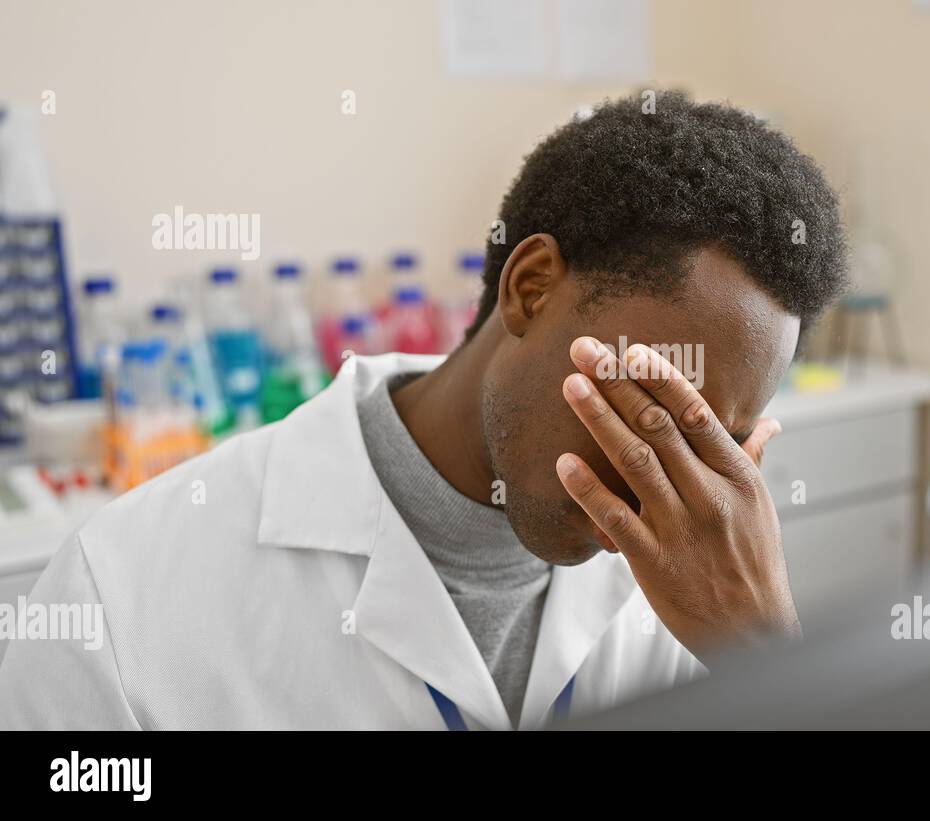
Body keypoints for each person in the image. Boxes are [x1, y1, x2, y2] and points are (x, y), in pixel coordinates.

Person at [0, 91, 847, 730]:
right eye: (653, 410)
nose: (661, 485)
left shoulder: (709, 594)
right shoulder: (120, 605)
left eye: (716, 445)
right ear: (531, 287)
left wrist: (768, 654)